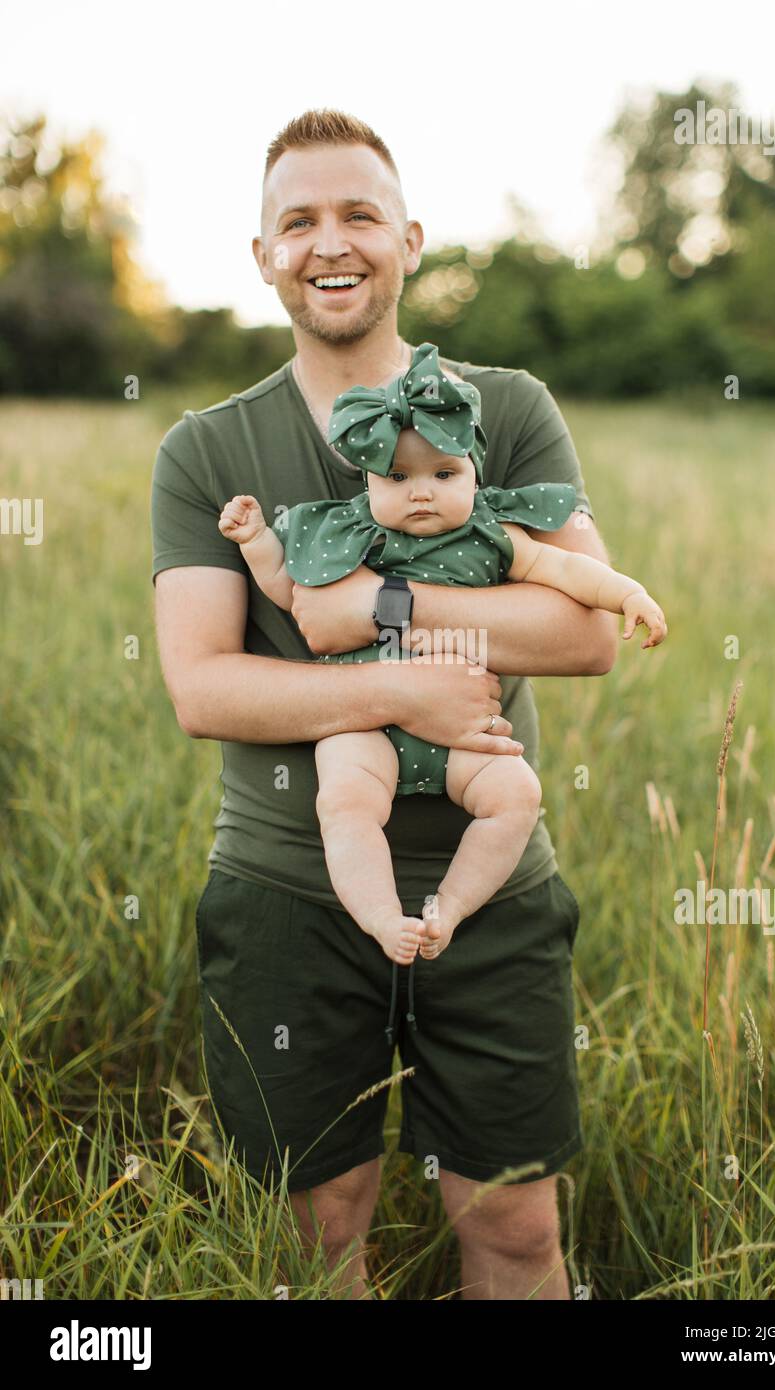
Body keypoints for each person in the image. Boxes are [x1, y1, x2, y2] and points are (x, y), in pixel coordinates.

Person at [151, 108, 621, 1301]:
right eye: (297, 220)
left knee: (514, 1225)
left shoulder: (503, 408)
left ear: (408, 237)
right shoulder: (209, 448)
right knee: (323, 1234)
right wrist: (402, 685)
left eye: (358, 213)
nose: (330, 242)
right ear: (261, 253)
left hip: (490, 877)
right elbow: (203, 685)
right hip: (286, 892)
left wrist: (381, 608)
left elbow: (583, 628)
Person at [217, 341, 666, 979]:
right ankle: (380, 915)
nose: (420, 494)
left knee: (516, 795)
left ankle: (446, 911)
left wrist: (628, 594)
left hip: (464, 730)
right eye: (396, 479)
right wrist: (259, 541)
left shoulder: (493, 533)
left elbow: (569, 569)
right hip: (365, 722)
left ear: (476, 472)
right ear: (366, 482)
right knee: (344, 802)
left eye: (443, 475)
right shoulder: (353, 533)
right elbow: (293, 593)